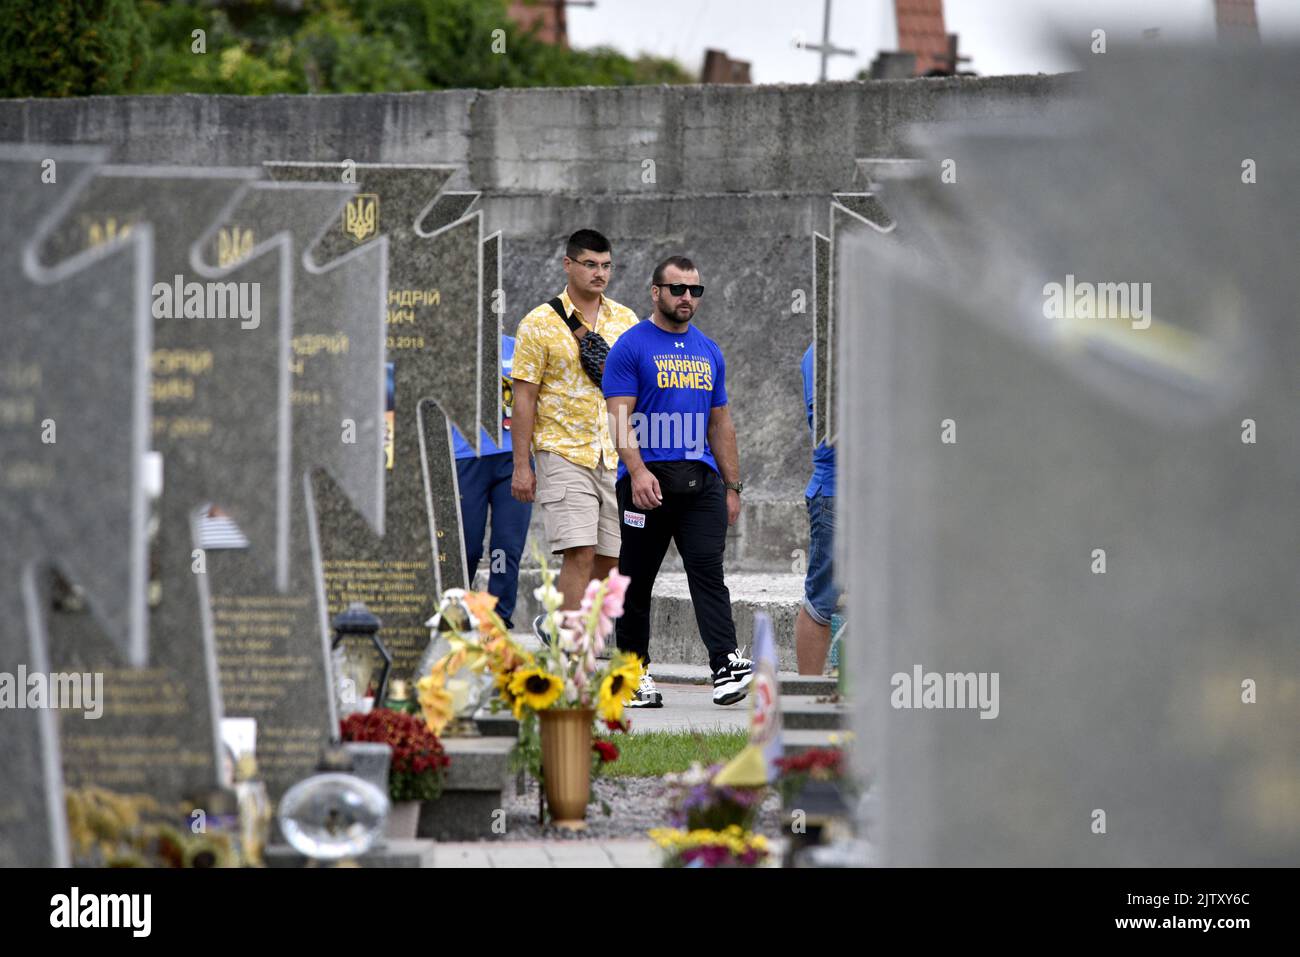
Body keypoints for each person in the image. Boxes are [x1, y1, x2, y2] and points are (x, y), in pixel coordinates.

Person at [604, 255, 753, 707]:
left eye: (695, 290)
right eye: (678, 289)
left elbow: (721, 423)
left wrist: (732, 486)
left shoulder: (709, 350)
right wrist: (638, 470)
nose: (687, 298)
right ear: (656, 292)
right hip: (647, 482)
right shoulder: (630, 347)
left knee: (708, 573)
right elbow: (617, 416)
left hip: (701, 482)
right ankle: (632, 674)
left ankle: (724, 666)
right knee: (636, 580)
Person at [510, 229, 639, 635]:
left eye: (605, 266)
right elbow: (524, 398)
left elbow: (640, 389)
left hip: (615, 454)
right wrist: (522, 466)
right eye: (590, 264)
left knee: (612, 557)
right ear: (569, 265)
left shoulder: (626, 320)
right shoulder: (539, 323)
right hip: (563, 451)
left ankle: (567, 626)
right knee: (579, 551)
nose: (599, 273)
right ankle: (570, 650)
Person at [452, 335, 531, 630]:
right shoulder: (452, 348)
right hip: (464, 456)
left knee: (506, 547)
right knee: (466, 547)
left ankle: (497, 622)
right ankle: (454, 616)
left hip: (513, 458)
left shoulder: (519, 346)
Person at [795, 343, 842, 674]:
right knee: (822, 601)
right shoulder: (825, 350)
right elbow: (830, 428)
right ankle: (806, 701)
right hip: (839, 493)